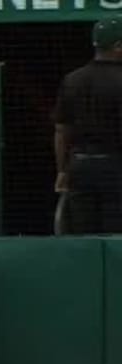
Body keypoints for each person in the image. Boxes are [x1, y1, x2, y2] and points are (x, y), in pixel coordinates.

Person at [54, 15, 122, 235]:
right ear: (118, 46)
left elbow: (61, 130)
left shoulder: (72, 79)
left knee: (85, 236)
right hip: (115, 167)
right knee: (116, 237)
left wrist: (63, 170)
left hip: (79, 167)